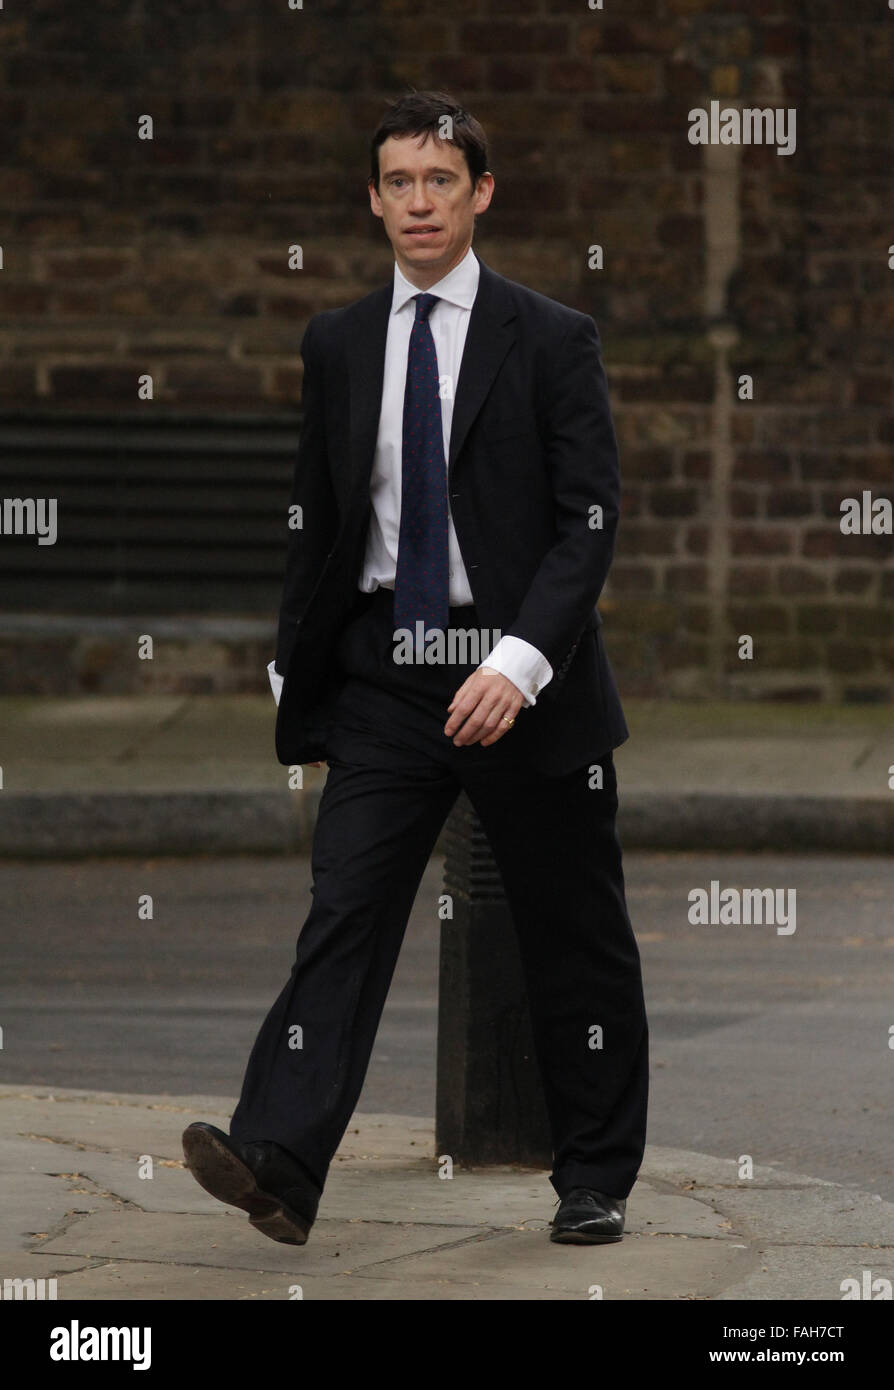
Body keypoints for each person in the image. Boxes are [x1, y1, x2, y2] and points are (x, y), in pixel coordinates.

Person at [183, 90, 649, 1247]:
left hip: (517, 675)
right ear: (376, 198)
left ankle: (593, 1174)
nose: (420, 202)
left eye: (442, 180)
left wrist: (526, 657)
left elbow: (587, 522)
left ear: (480, 193)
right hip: (389, 670)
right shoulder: (339, 343)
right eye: (399, 181)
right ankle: (280, 1158)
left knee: (570, 927)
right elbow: (319, 516)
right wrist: (298, 663)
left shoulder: (551, 338)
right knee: (344, 907)